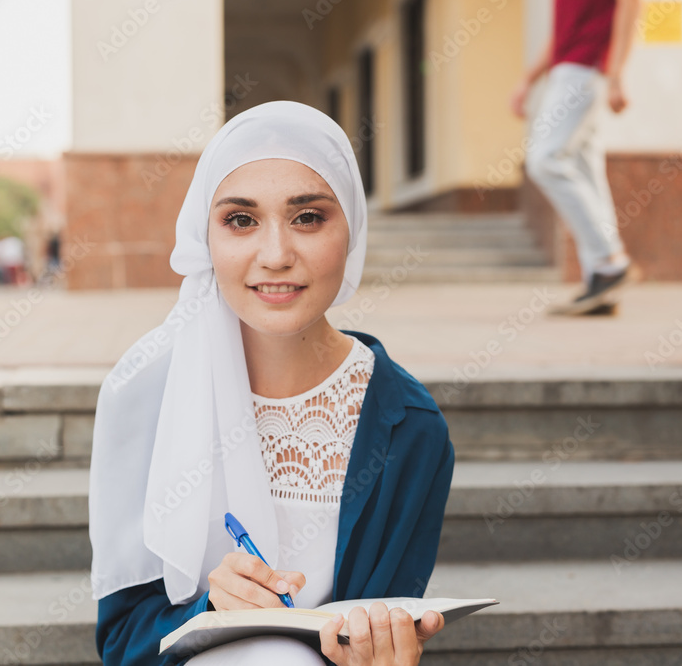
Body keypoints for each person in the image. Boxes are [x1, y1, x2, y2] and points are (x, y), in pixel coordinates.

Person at [89, 101, 455, 666]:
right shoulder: (143, 396)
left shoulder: (410, 427)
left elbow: (384, 622)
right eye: (241, 220)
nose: (276, 255)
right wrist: (209, 608)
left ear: (351, 228)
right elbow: (121, 643)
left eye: (307, 217)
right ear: (204, 237)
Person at [511, 0, 642, 315]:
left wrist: (616, 74)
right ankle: (601, 283)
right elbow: (562, 33)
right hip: (568, 70)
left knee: (545, 160)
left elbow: (632, 6)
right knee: (585, 171)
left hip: (585, 70)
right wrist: (528, 79)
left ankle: (610, 261)